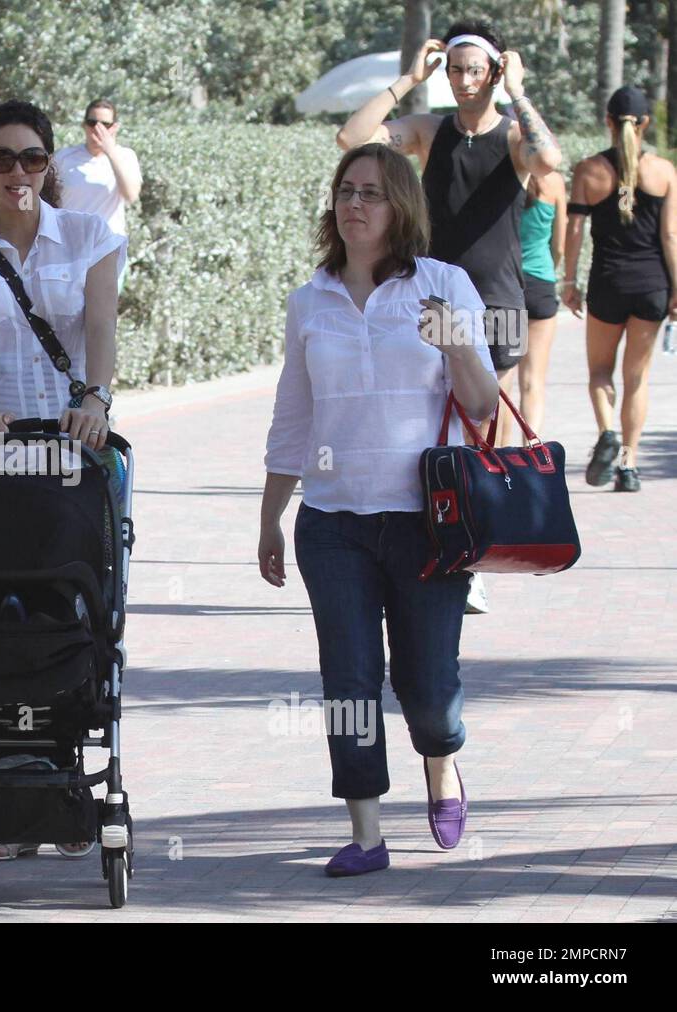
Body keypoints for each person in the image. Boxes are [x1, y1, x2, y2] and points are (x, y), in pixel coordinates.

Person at [259, 144, 498, 877]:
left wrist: (454, 342)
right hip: (333, 523)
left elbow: (484, 407)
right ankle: (366, 832)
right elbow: (293, 419)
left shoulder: (444, 284)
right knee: (348, 680)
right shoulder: (311, 299)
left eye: (370, 192)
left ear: (401, 206)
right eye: (344, 192)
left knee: (428, 685)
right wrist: (269, 517)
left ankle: (442, 764)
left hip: (428, 521)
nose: (353, 204)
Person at [0, 99, 125, 860]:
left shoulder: (89, 237)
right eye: (3, 158)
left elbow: (101, 330)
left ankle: (61, 773)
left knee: (63, 598)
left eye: (33, 158)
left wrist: (95, 400)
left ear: (51, 164)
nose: (17, 172)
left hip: (68, 446)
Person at [337, 19, 561, 614]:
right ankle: (442, 532)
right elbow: (351, 140)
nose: (464, 81)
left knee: (486, 418)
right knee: (429, 412)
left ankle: (478, 545)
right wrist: (408, 79)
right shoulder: (430, 132)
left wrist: (517, 90)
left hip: (498, 300)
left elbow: (551, 160)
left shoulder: (514, 135)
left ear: (493, 71)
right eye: (456, 69)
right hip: (428, 292)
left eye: (475, 70)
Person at [563, 86, 677, 493]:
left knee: (599, 372)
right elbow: (670, 237)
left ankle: (607, 431)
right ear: (645, 123)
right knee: (638, 378)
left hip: (608, 283)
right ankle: (628, 465)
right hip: (652, 286)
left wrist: (569, 280)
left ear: (608, 122)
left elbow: (575, 230)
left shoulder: (589, 171)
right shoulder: (664, 172)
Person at [54, 99, 142, 290]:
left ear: (115, 127)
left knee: (102, 316)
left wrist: (110, 151)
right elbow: (49, 200)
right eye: (93, 123)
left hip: (107, 250)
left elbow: (131, 194)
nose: (98, 129)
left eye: (105, 125)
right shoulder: (64, 158)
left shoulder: (125, 156)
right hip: (69, 250)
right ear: (84, 125)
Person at [514, 168, 566, 444]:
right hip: (541, 283)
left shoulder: (507, 178)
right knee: (533, 381)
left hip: (507, 284)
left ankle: (496, 458)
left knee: (503, 378)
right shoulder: (555, 181)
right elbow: (558, 244)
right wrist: (552, 271)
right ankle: (531, 451)